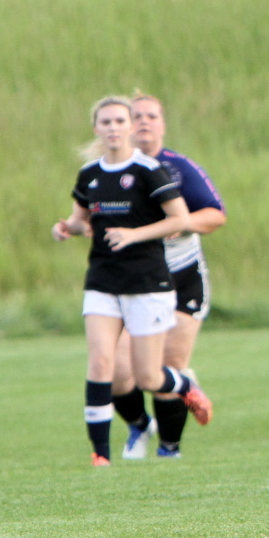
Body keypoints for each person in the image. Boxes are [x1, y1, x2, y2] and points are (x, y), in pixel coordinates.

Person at [52, 96, 213, 467]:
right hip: (103, 280)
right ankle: (101, 455)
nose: (112, 128)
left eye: (119, 121)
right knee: (101, 365)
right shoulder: (89, 174)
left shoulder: (147, 170)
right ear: (96, 128)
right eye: (105, 122)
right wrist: (66, 228)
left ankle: (184, 386)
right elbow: (81, 220)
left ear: (128, 127)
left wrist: (134, 235)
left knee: (149, 376)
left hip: (148, 281)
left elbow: (179, 219)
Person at [111, 92, 227, 460]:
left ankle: (169, 451)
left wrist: (182, 223)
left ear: (162, 123)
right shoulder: (111, 171)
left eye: (151, 116)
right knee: (117, 371)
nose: (143, 121)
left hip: (182, 278)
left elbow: (215, 214)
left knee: (167, 365)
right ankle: (139, 426)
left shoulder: (178, 168)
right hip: (136, 281)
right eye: (137, 116)